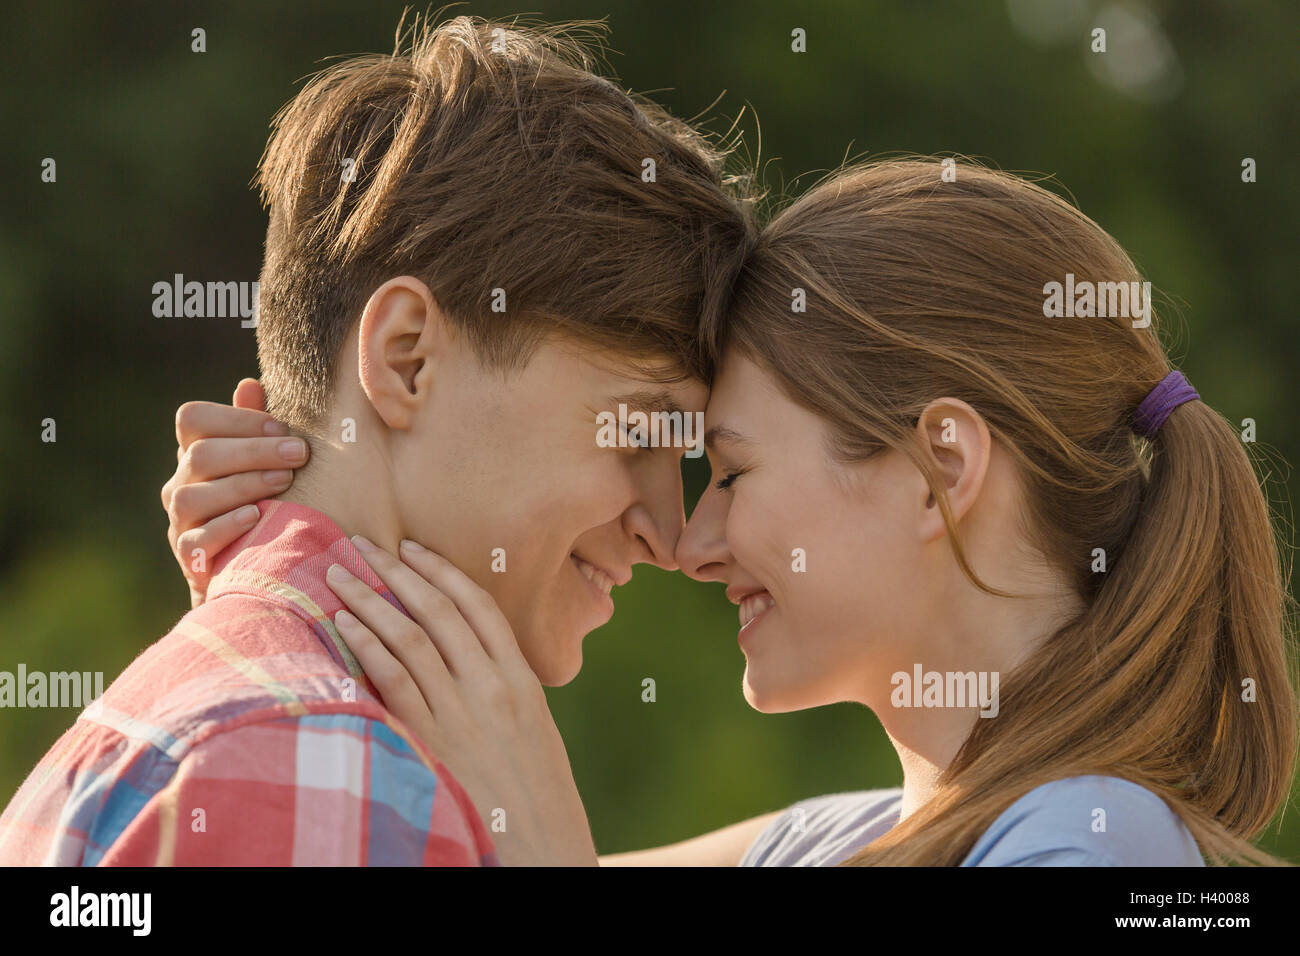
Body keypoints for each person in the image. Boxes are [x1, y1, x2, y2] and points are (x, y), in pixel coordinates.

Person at [165, 159, 1298, 866]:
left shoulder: (1092, 839)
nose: (690, 544)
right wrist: (293, 561)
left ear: (939, 464)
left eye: (734, 473)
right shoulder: (830, 840)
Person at [0, 14, 754, 866]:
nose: (671, 533)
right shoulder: (332, 772)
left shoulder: (207, 716)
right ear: (406, 359)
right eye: (634, 433)